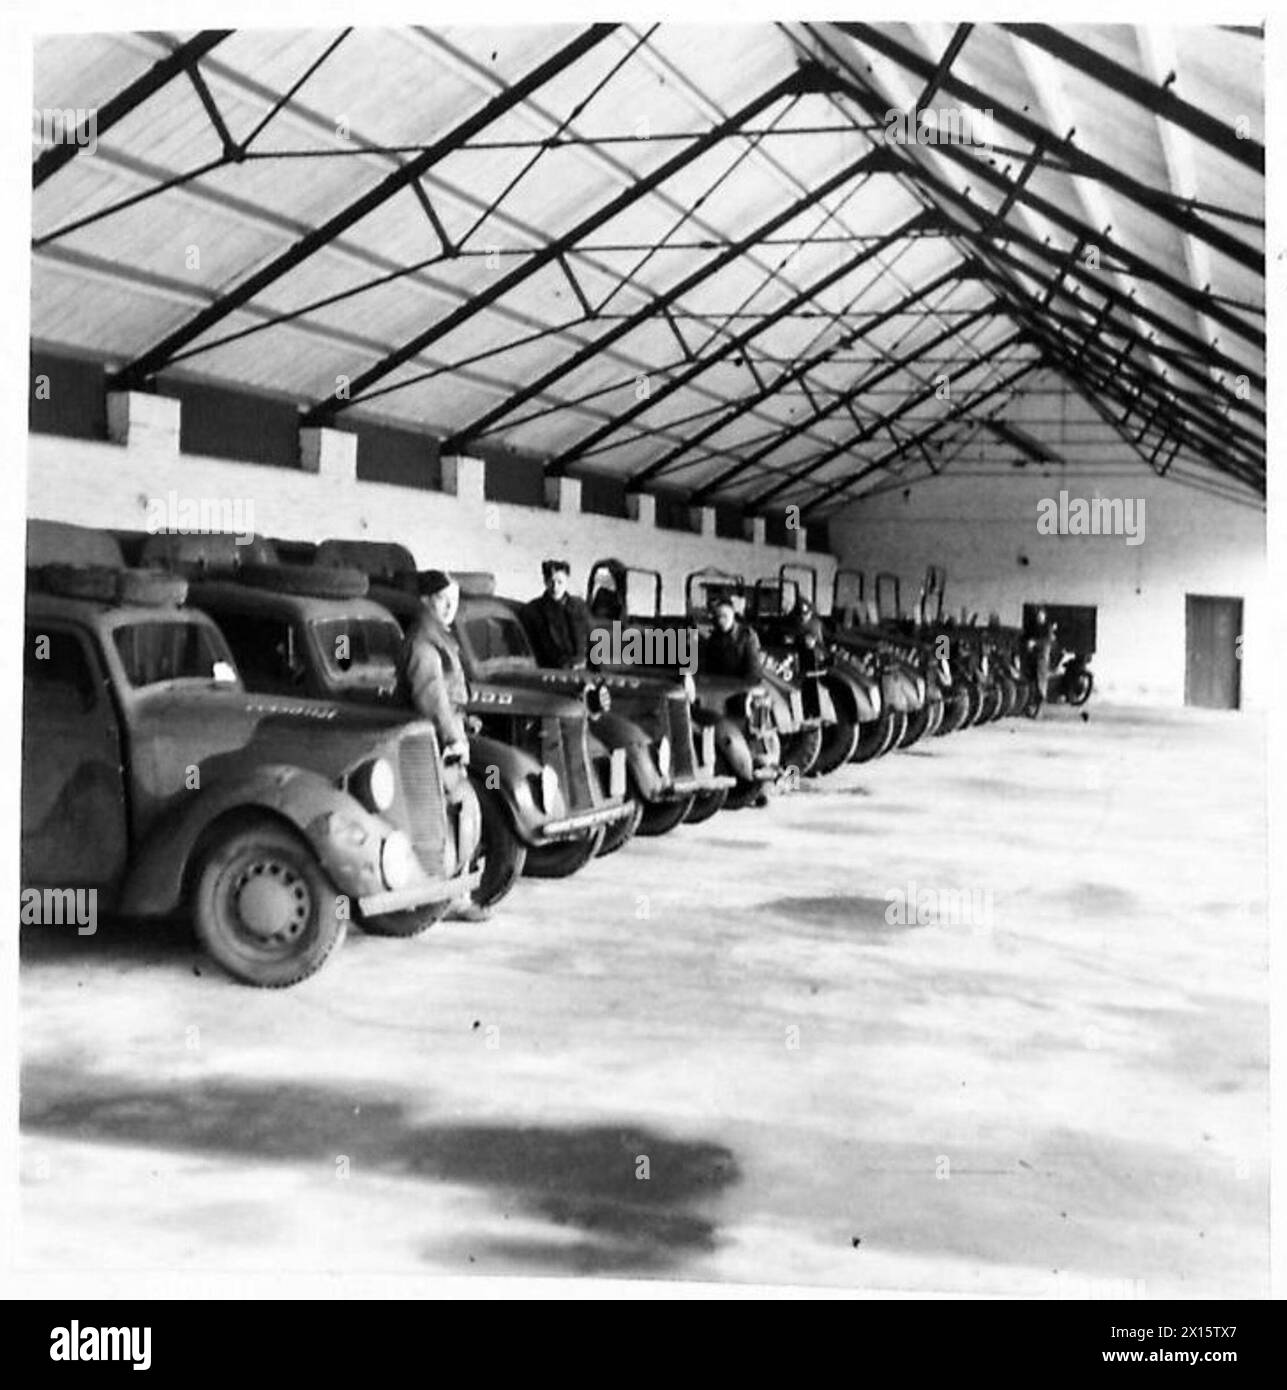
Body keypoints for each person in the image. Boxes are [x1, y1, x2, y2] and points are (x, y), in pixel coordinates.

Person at [399, 569, 471, 765]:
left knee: (485, 779)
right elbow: (432, 697)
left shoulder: (440, 638)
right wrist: (453, 738)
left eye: (454, 600)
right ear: (425, 600)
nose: (450, 607)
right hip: (433, 740)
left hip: (448, 728)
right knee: (459, 792)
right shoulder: (424, 644)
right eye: (442, 598)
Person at [521, 558, 591, 668]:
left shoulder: (579, 606)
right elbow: (531, 648)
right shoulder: (533, 611)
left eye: (560, 582)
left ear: (567, 580)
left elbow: (593, 638)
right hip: (552, 672)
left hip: (582, 670)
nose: (555, 587)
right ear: (545, 581)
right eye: (551, 581)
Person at [701, 594, 765, 682]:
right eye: (718, 616)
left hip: (740, 686)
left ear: (733, 614)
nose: (721, 620)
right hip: (719, 686)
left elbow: (754, 670)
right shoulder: (714, 637)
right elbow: (708, 668)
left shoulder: (747, 636)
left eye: (725, 616)